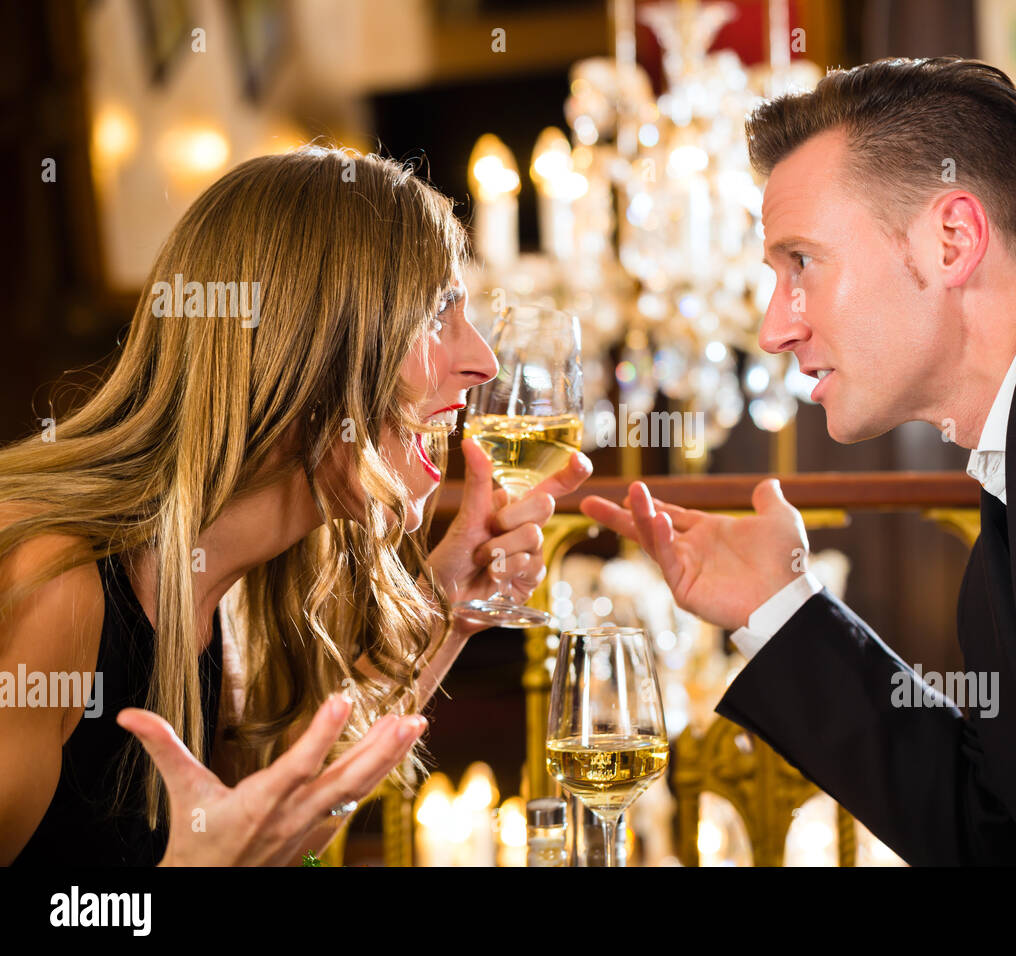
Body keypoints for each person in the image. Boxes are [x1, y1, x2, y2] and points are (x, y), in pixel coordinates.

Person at [581, 57, 1016, 865]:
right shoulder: (996, 554)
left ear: (952, 240)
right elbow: (998, 844)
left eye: (801, 265)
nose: (776, 328)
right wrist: (780, 611)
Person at [0, 147, 591, 865]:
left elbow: (270, 837)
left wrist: (452, 606)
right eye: (438, 313)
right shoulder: (49, 579)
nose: (483, 361)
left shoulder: (231, 593)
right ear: (314, 342)